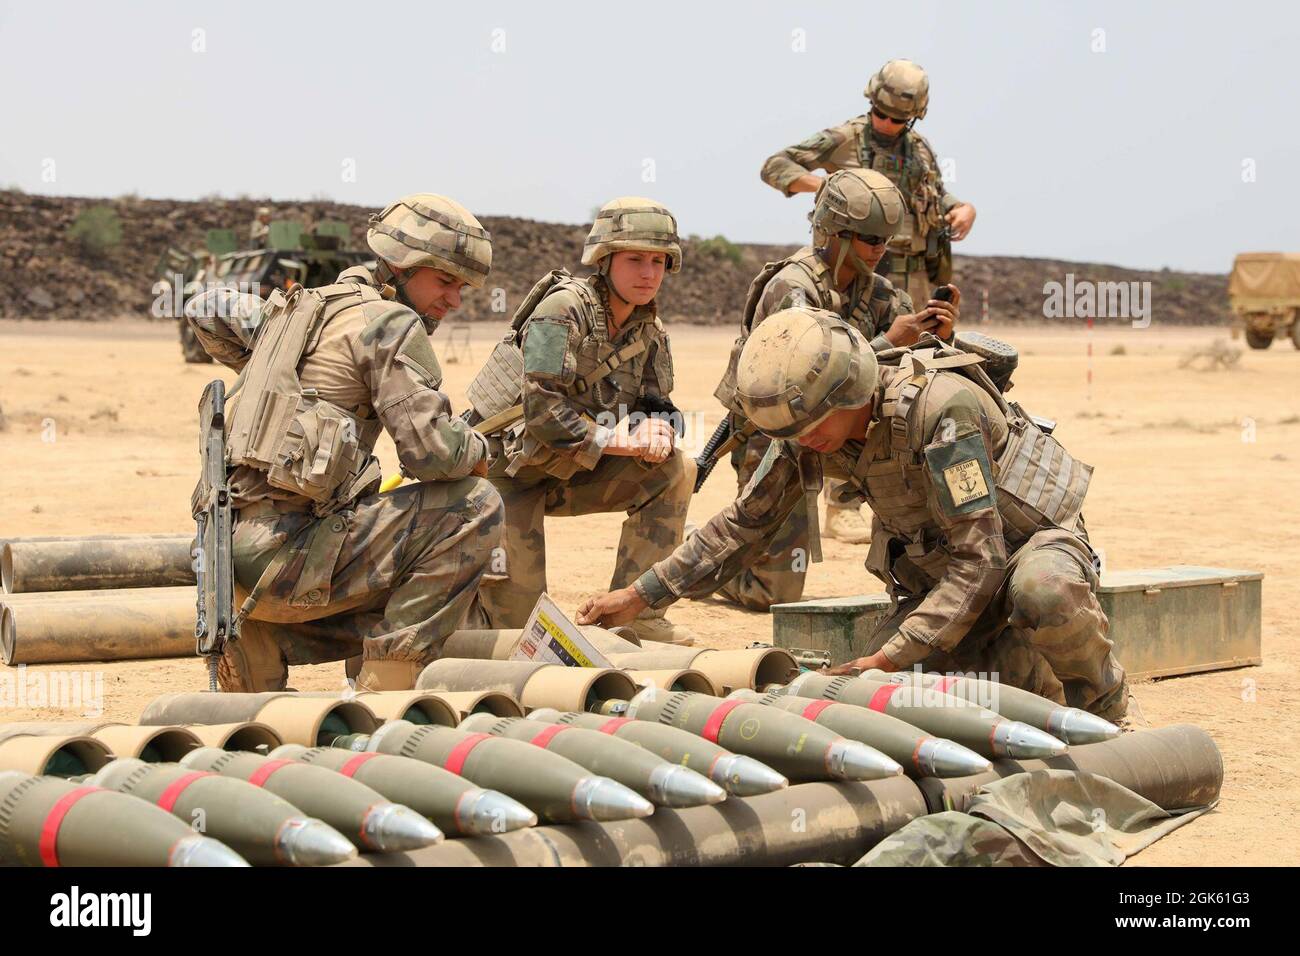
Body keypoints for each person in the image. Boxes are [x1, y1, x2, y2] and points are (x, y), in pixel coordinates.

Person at [577, 307, 1129, 721]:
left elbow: (983, 561)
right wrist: (639, 595)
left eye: (810, 428)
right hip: (944, 575)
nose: (802, 442)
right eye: (789, 433)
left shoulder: (941, 411)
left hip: (1024, 547)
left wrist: (892, 655)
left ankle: (1102, 702)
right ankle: (1019, 664)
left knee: (1044, 593)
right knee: (877, 705)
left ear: (851, 392)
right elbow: (744, 523)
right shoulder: (807, 425)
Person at [186, 193, 501, 692]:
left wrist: (269, 368)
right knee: (472, 507)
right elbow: (435, 455)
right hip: (285, 564)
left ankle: (260, 648)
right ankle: (387, 688)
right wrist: (481, 451)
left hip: (223, 562)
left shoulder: (305, 310)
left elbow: (204, 309)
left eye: (462, 287)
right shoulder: (390, 322)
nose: (455, 300)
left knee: (372, 513)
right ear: (400, 266)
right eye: (445, 281)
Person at [711, 168, 959, 608]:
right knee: (773, 593)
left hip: (842, 437)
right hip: (779, 437)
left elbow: (901, 378)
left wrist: (936, 339)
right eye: (869, 239)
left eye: (885, 240)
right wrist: (887, 341)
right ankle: (722, 565)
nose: (880, 250)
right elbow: (797, 384)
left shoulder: (880, 294)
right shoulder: (793, 287)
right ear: (833, 233)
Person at [465, 197, 696, 645]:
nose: (649, 273)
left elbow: (655, 401)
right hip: (504, 474)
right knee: (524, 635)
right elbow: (542, 413)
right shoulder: (563, 309)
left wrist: (661, 428)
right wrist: (625, 441)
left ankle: (637, 613)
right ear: (605, 261)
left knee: (676, 469)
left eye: (658, 261)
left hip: (567, 468)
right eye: (635, 260)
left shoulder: (649, 329)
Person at [760, 58, 976, 321]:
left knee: (921, 353)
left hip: (914, 279)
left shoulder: (920, 150)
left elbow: (935, 193)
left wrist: (961, 208)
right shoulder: (844, 138)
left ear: (914, 116)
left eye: (897, 119)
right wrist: (826, 187)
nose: (885, 122)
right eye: (879, 112)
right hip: (855, 275)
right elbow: (775, 166)